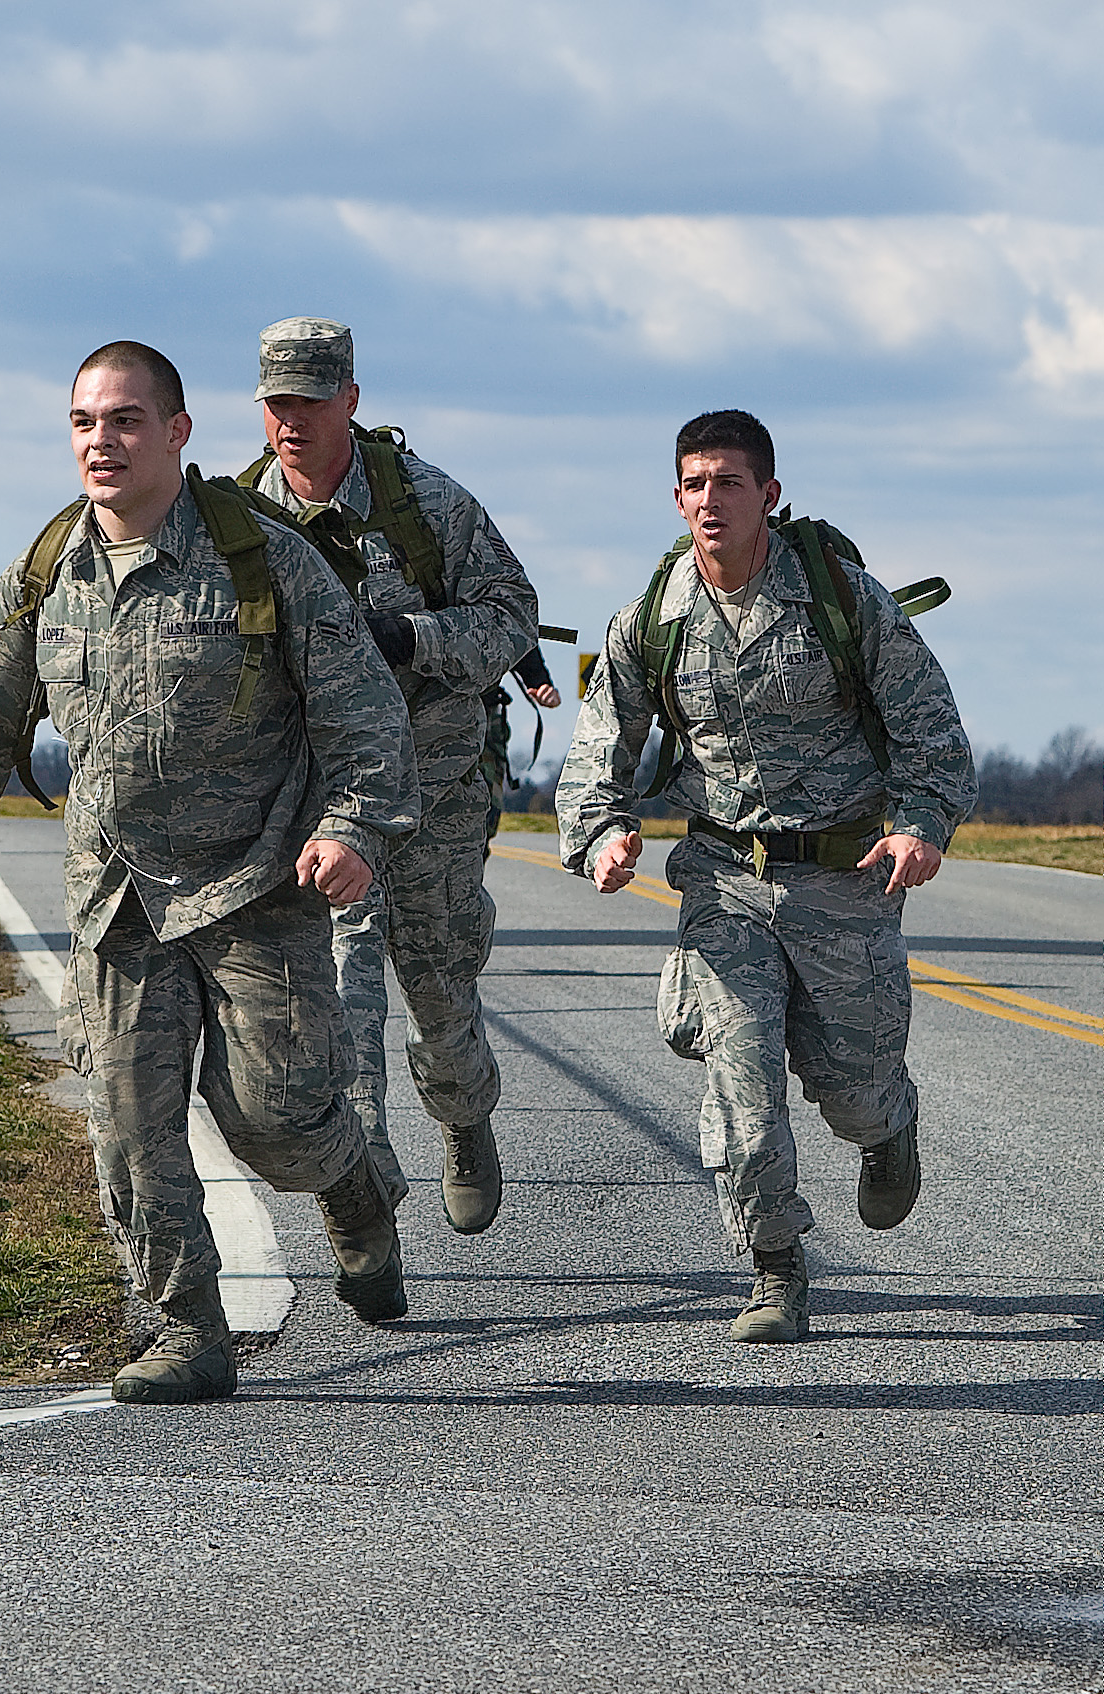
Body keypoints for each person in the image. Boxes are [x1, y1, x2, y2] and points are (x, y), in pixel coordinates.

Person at [0, 340, 419, 1404]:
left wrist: (353, 830)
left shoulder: (265, 561)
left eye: (127, 420)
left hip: (254, 882)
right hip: (118, 894)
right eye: (85, 421)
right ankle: (187, 1327)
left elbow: (365, 715)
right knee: (130, 1128)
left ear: (177, 432)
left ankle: (353, 1184)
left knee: (275, 1119)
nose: (103, 441)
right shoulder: (45, 572)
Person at [555, 410, 975, 1343]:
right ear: (676, 498)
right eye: (694, 483)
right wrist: (601, 832)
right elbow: (597, 747)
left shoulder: (840, 599)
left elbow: (932, 731)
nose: (710, 499)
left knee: (853, 1088)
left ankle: (887, 1127)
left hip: (842, 879)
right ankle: (775, 1266)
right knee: (741, 1087)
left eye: (729, 482)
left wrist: (920, 825)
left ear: (768, 495)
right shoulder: (651, 619)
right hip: (721, 882)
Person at [240, 318, 540, 1236]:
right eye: (276, 403)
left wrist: (413, 636)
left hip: (432, 792)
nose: (291, 422)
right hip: (319, 804)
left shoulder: (425, 504)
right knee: (341, 994)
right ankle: (366, 1189)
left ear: (350, 401)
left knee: (440, 996)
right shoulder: (236, 520)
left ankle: (463, 1118)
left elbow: (512, 614)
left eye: (309, 401)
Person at [481, 647, 564, 846]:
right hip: (420, 722)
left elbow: (515, 634)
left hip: (483, 719)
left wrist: (540, 681)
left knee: (483, 818)